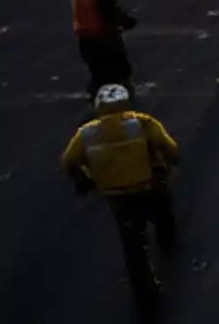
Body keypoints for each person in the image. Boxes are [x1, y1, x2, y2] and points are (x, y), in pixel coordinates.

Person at [60, 84, 180, 306]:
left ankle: (145, 290)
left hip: (116, 195)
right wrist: (171, 163)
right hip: (147, 186)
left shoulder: (86, 133)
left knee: (133, 244)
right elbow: (169, 147)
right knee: (163, 212)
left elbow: (68, 162)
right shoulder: (143, 123)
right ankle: (167, 236)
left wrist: (85, 178)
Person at [73, 0, 138, 96]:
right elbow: (110, 13)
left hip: (85, 38)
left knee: (98, 73)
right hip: (105, 38)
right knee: (120, 72)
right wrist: (127, 22)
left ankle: (96, 100)